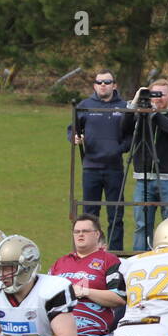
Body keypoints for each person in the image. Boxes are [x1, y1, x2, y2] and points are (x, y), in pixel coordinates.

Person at [120, 78, 168, 252]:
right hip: (144, 179)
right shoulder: (140, 114)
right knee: (142, 225)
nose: (157, 98)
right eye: (154, 94)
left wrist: (155, 114)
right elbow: (123, 127)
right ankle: (140, 260)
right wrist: (135, 102)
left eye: (161, 94)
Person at [69, 70, 129, 251]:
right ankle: (88, 252)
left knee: (116, 214)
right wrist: (74, 137)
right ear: (95, 85)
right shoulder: (85, 105)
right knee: (89, 215)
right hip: (91, 168)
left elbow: (131, 135)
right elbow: (73, 129)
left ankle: (116, 253)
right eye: (100, 82)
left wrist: (118, 149)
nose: (103, 85)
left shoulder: (124, 107)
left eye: (107, 82)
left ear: (114, 85)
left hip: (114, 168)